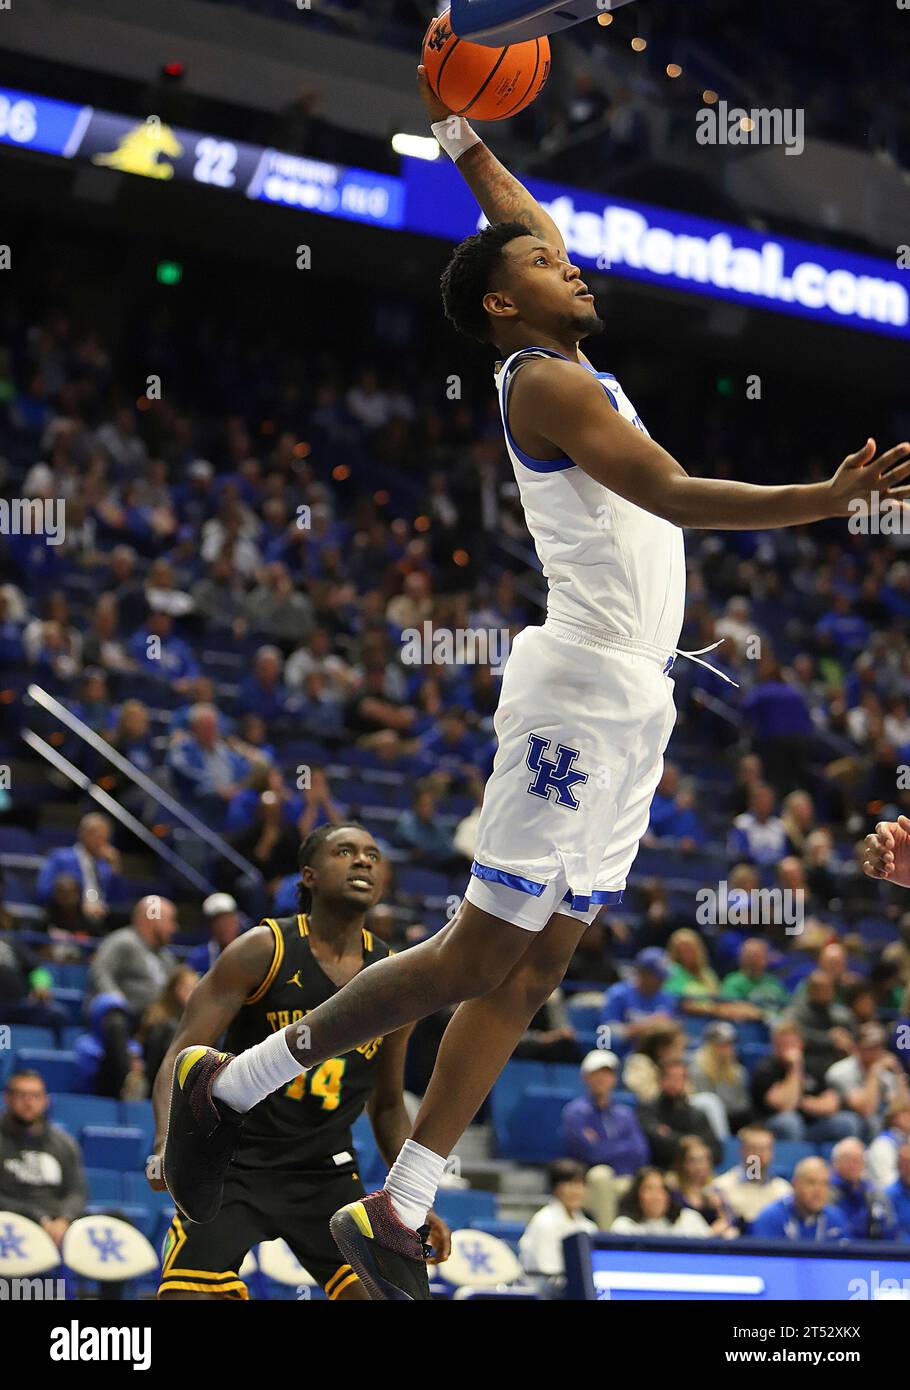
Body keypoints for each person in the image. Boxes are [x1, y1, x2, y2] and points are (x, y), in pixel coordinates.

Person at [163, 61, 910, 1301]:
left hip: (643, 700)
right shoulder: (547, 380)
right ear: (504, 310)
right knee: (473, 954)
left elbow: (519, 217)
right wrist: (824, 501)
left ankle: (397, 1208)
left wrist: (458, 122)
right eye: (548, 270)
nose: (574, 267)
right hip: (577, 686)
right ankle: (234, 1085)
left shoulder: (549, 325)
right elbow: (670, 492)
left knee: (542, 965)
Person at [152, 824, 450, 1300]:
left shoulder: (397, 975)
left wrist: (409, 1203)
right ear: (309, 875)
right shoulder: (262, 949)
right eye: (346, 851)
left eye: (373, 855)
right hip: (235, 1165)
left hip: (326, 1174)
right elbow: (180, 1056)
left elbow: (389, 1104)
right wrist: (171, 1144)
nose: (363, 861)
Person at [0, 1069, 87, 1247]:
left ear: (46, 1101)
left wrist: (64, 1218)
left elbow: (77, 1192)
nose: (29, 1102)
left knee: (120, 1219)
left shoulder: (64, 1143)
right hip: (10, 1220)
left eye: (36, 1096)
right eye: (22, 1095)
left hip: (57, 1224)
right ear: (7, 1099)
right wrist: (35, 1216)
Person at [750, 1019, 862, 1143]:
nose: (789, 1049)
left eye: (792, 1044)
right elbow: (786, 1105)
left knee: (847, 1121)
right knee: (790, 1121)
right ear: (774, 1046)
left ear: (801, 1044)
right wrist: (794, 1067)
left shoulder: (812, 1066)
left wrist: (802, 1103)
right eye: (783, 1044)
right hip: (773, 1128)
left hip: (811, 1126)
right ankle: (794, 1158)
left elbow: (831, 1104)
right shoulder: (766, 1068)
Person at [87, 896, 179, 1017]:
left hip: (158, 1019)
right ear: (152, 919)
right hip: (126, 1015)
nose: (175, 928)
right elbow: (100, 972)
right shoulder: (123, 942)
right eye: (170, 920)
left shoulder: (166, 956)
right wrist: (117, 1002)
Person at [560, 1050, 648, 1175]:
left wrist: (603, 1144)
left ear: (615, 1079)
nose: (601, 1078)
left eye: (607, 1073)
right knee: (601, 1175)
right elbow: (591, 1153)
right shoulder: (574, 1112)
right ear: (585, 1077)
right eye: (596, 1073)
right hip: (587, 1179)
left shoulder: (625, 1114)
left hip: (626, 1176)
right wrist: (624, 1147)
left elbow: (640, 1152)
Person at [824, 1023, 910, 1139]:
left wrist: (898, 1073)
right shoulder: (840, 1071)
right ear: (857, 1048)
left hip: (871, 1120)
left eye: (878, 1047)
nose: (876, 1052)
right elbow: (865, 1109)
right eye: (870, 1048)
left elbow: (902, 1107)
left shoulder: (886, 1075)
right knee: (869, 1121)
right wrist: (874, 1071)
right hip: (840, 1122)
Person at [35, 812, 121, 925]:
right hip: (68, 917)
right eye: (98, 836)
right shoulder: (60, 858)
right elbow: (43, 892)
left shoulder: (105, 865)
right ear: (83, 834)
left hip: (100, 918)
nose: (102, 842)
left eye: (105, 837)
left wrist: (115, 869)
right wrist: (79, 905)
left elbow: (118, 899)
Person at [518, 1159, 598, 1278]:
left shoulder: (589, 1226)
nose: (577, 1191)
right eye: (570, 1184)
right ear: (555, 1188)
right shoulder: (545, 1222)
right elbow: (548, 1272)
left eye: (580, 1184)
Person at [638, 1058, 722, 1167]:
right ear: (661, 1080)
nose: (677, 1082)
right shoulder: (647, 1110)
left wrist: (672, 1136)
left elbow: (716, 1151)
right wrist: (692, 1141)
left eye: (681, 1078)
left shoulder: (697, 1114)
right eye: (672, 1077)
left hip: (698, 1173)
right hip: (663, 1172)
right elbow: (657, 1145)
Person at [712, 1125, 793, 1229]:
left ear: (772, 1153)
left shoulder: (785, 1190)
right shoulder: (721, 1187)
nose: (759, 1155)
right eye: (753, 1149)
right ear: (742, 1151)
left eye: (764, 1149)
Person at [749, 1157, 847, 1242]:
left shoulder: (835, 1218)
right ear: (795, 1184)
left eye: (824, 1184)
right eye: (811, 1183)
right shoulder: (770, 1218)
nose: (818, 1191)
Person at [600, 947, 677, 1046]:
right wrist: (647, 1025)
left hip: (656, 1056)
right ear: (642, 973)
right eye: (658, 978)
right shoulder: (618, 994)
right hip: (621, 1054)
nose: (662, 982)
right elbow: (604, 1036)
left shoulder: (667, 998)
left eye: (663, 978)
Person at [139, 966, 199, 1088]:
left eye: (195, 988)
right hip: (155, 1079)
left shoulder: (195, 1018)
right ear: (176, 989)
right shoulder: (158, 1017)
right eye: (188, 988)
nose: (193, 994)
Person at [827, 1137, 898, 1240]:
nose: (853, 1164)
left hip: (872, 1251)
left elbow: (890, 1228)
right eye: (847, 1159)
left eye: (858, 1160)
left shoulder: (874, 1193)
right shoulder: (825, 1192)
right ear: (834, 1162)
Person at [688, 1021, 752, 1134]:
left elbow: (743, 1105)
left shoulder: (738, 1071)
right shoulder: (698, 1069)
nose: (728, 1049)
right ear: (710, 1045)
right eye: (722, 1044)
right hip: (706, 1121)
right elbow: (703, 1104)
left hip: (733, 1118)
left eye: (730, 1044)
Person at [610, 1167, 711, 1237]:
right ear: (637, 1195)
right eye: (649, 1189)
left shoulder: (689, 1219)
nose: (656, 1196)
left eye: (661, 1189)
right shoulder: (624, 1226)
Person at [668, 1135, 736, 1237]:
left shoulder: (715, 1189)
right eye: (693, 1160)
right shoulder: (674, 1192)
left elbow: (729, 1220)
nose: (700, 1166)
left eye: (704, 1159)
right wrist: (709, 1232)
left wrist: (719, 1208)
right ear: (682, 1163)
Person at [720, 937, 789, 1014]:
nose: (754, 960)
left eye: (758, 956)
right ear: (741, 958)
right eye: (749, 956)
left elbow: (787, 1007)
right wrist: (762, 1014)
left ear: (766, 958)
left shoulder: (773, 982)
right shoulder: (733, 981)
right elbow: (729, 1008)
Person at [187, 894, 242, 975]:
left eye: (228, 920)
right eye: (218, 922)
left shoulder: (247, 951)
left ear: (236, 921)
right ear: (210, 926)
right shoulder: (198, 957)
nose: (224, 927)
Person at [867, 1098, 910, 1189]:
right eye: (907, 1114)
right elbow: (885, 1179)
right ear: (894, 1118)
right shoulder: (882, 1144)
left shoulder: (906, 1140)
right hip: (888, 1195)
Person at [886, 1142, 910, 1240]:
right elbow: (893, 1232)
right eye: (905, 1163)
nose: (909, 1168)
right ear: (898, 1166)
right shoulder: (888, 1195)